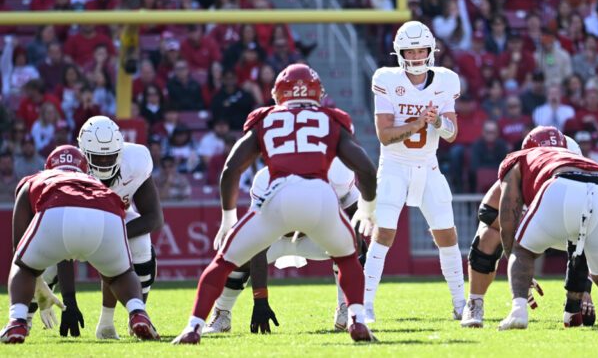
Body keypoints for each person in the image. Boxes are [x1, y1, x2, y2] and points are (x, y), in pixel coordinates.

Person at [172, 64, 378, 344]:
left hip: (278, 193)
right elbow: (366, 169)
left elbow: (231, 168)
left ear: (278, 94)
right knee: (349, 256)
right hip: (319, 195)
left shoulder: (265, 119)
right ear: (318, 93)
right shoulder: (331, 120)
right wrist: (368, 210)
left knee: (223, 261)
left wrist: (227, 219)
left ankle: (193, 327)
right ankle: (357, 319)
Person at [0, 146, 159, 344]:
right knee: (121, 274)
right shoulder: (95, 182)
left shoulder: (36, 179)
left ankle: (17, 321)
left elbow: (19, 247)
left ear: (48, 167)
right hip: (106, 212)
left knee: (22, 265)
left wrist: (37, 280)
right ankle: (138, 312)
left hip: (57, 211)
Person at [363, 21, 465, 324]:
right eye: (411, 49)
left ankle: (461, 304)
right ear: (400, 51)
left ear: (431, 50)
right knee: (383, 235)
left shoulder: (446, 81)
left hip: (428, 165)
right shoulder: (386, 79)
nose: (417, 54)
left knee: (448, 235)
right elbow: (384, 134)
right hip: (394, 166)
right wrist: (418, 123)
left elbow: (451, 132)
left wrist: (436, 122)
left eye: (422, 48)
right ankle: (366, 305)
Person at [496, 127, 598, 330]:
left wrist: (517, 266)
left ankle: (518, 312)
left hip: (561, 183)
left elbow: (507, 223)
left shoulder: (520, 157)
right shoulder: (574, 155)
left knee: (522, 250)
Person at [203, 157, 368, 334]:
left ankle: (347, 307)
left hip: (315, 237)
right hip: (276, 238)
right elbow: (257, 243)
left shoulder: (336, 171)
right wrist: (261, 301)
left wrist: (345, 238)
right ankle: (221, 314)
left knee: (351, 240)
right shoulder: (265, 179)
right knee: (238, 249)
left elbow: (353, 212)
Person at [42, 116, 165, 340]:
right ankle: (22, 319)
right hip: (73, 226)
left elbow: (154, 218)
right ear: (84, 152)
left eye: (111, 156)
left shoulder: (135, 160)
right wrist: (69, 300)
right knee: (43, 269)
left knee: (141, 243)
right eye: (99, 156)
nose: (106, 161)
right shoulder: (70, 170)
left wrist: (111, 236)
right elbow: (60, 236)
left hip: (114, 220)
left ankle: (135, 315)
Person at [461, 127, 590, 329]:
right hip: (534, 229)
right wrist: (520, 258)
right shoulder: (520, 169)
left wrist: (586, 289)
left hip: (568, 228)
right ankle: (475, 302)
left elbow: (593, 223)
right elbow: (487, 211)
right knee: (487, 234)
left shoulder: (576, 162)